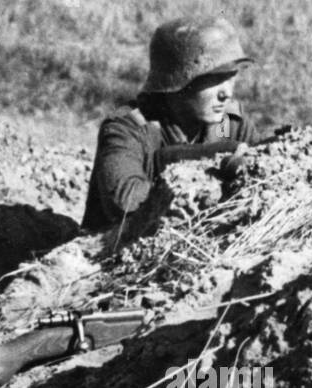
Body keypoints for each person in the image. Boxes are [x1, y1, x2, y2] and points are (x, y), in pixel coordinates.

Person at [82, 16, 257, 232]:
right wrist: (199, 186)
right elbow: (124, 201)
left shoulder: (229, 124)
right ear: (177, 83)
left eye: (231, 78)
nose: (227, 93)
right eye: (215, 80)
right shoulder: (129, 128)